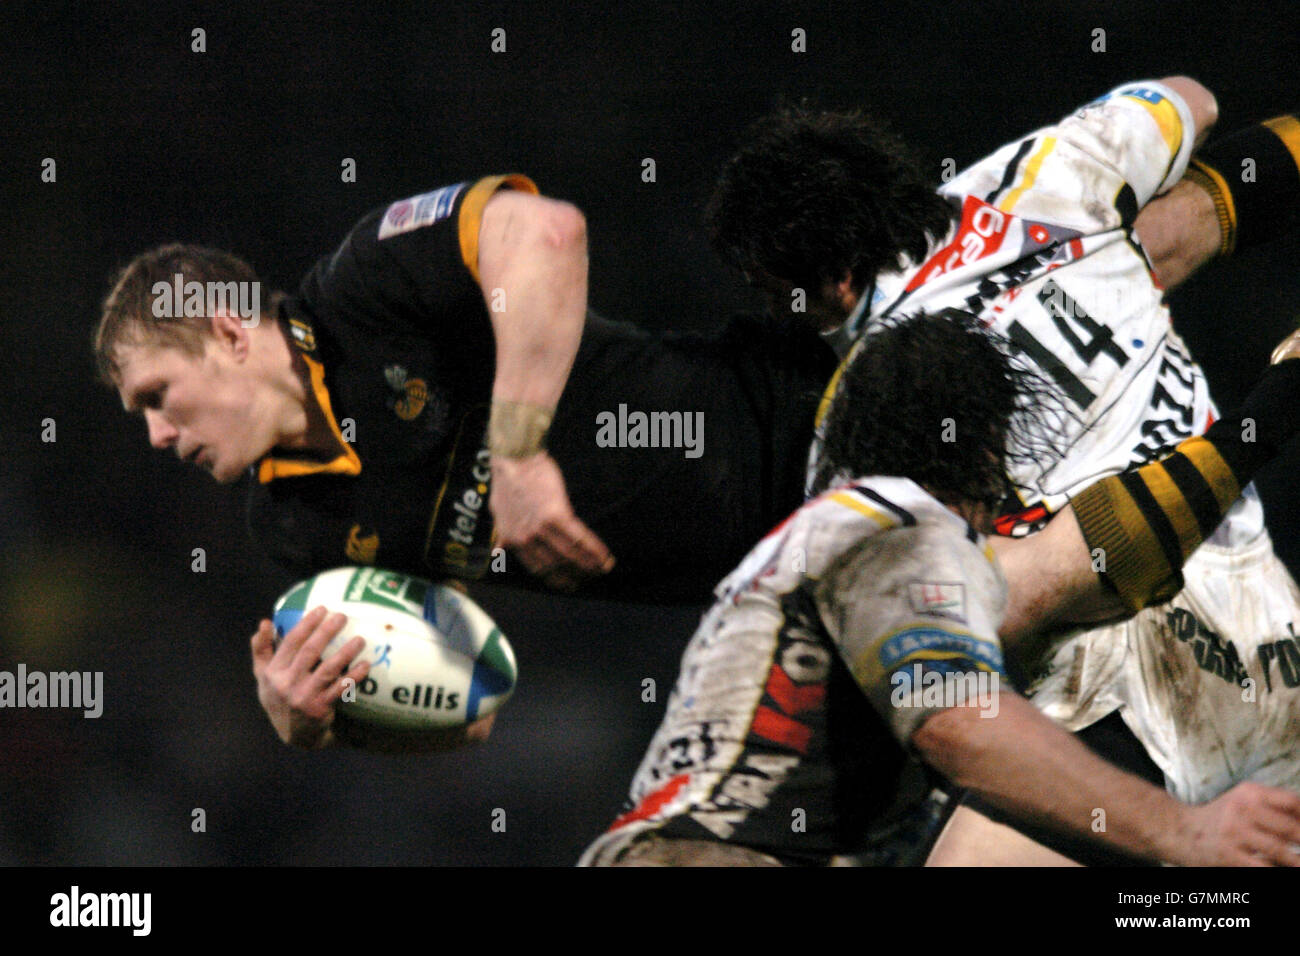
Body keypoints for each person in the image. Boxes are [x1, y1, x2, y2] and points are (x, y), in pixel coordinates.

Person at [704, 78, 1300, 863]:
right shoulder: (1045, 169)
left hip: (1109, 694)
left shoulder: (866, 413)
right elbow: (1196, 101)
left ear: (824, 283)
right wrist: (1154, 238)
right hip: (1270, 634)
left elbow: (980, 619)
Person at [94, 175, 837, 746]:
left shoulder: (365, 287)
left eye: (156, 396)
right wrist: (324, 719)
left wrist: (515, 451)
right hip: (800, 590)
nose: (157, 436)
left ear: (228, 332)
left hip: (816, 423)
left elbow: (546, 230)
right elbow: (468, 702)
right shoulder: (293, 527)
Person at [582, 311, 1300, 867]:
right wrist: (1184, 831)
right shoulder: (904, 531)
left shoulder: (842, 544)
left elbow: (1085, 555)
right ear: (987, 449)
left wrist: (1277, 402)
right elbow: (959, 721)